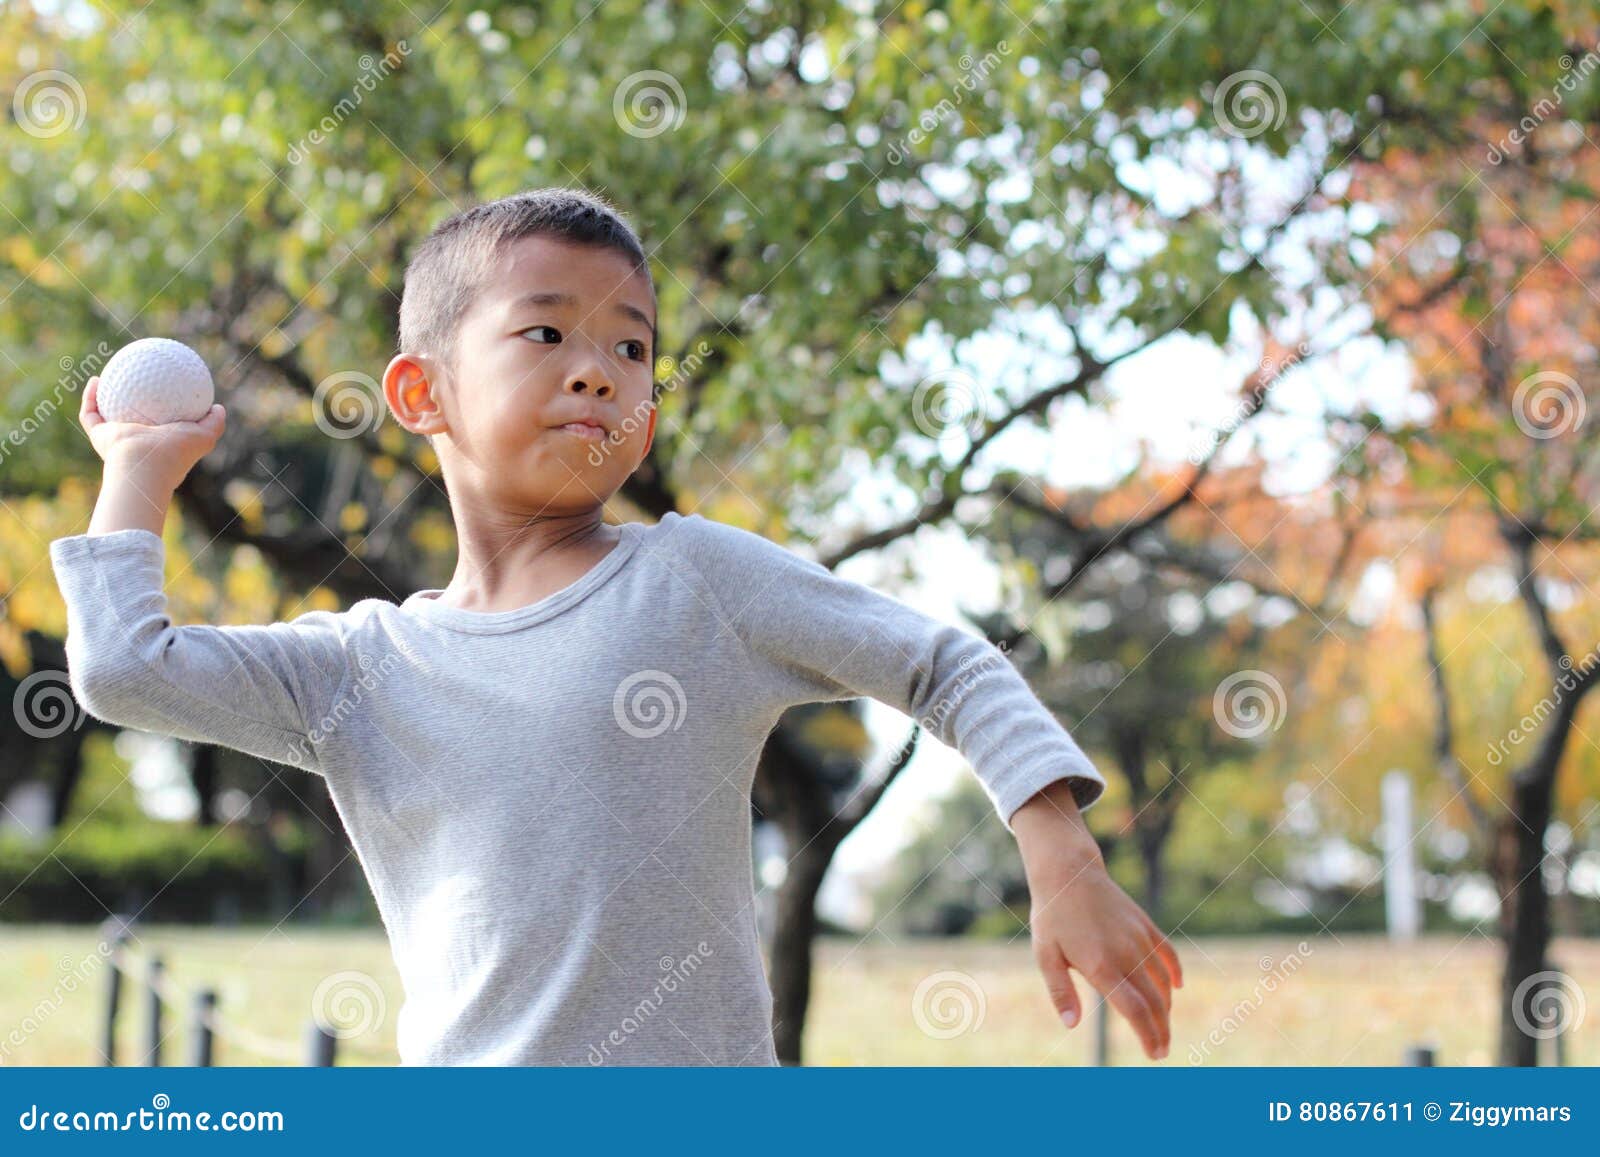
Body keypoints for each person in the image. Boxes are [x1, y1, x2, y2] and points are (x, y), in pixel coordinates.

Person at [50, 186, 1180, 1066]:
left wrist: (1060, 847)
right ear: (419, 393)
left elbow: (940, 660)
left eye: (630, 348)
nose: (598, 370)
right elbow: (124, 669)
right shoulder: (360, 667)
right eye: (545, 334)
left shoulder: (698, 583)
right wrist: (142, 474)